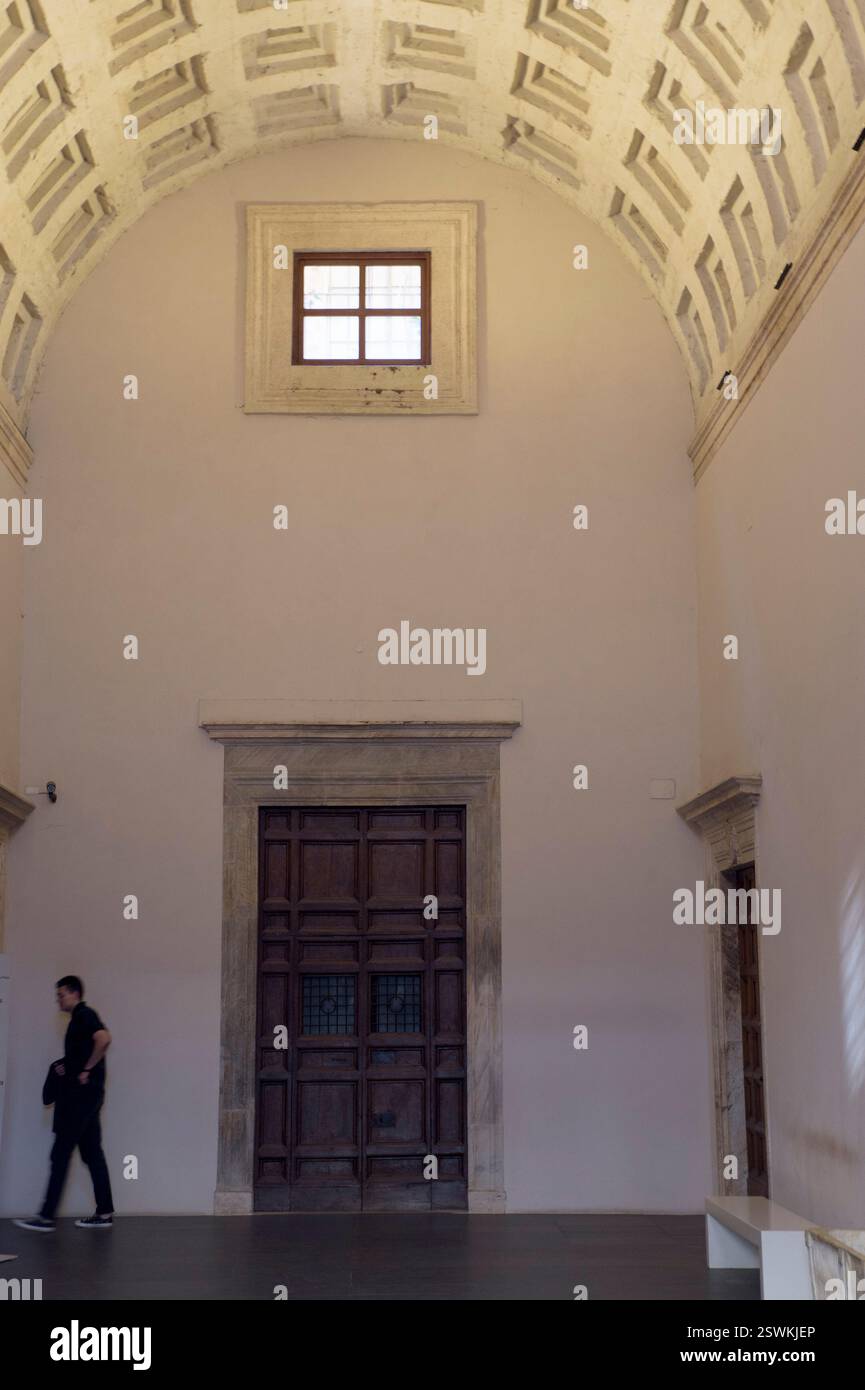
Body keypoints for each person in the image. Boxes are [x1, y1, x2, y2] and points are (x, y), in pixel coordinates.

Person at [13, 976, 115, 1232]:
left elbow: (104, 1039)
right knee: (93, 1154)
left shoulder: (84, 1015)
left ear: (74, 993)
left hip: (80, 1099)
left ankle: (46, 1217)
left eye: (61, 995)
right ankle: (104, 1213)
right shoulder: (80, 1019)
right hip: (90, 1098)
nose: (58, 1000)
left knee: (60, 1154)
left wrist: (86, 1069)